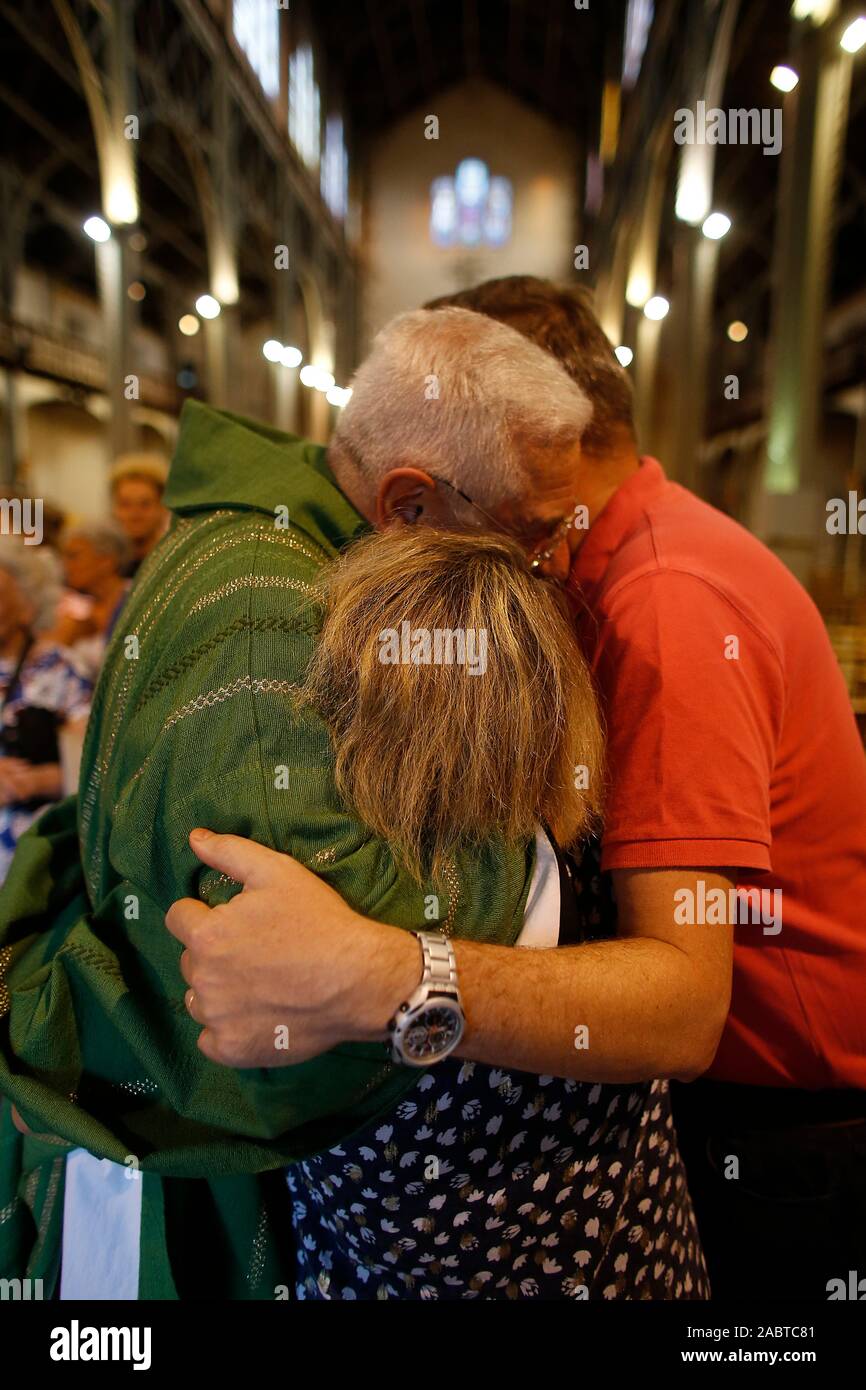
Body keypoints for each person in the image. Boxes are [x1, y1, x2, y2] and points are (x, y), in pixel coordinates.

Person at [178, 278, 866, 1302]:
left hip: (775, 1123)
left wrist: (384, 973)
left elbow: (681, 1007)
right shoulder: (612, 557)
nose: (541, 560)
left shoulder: (662, 602)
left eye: (548, 527)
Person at [1, 310, 710, 1301]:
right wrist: (388, 960)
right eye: (537, 531)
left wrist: (380, 969)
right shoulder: (272, 622)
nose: (558, 561)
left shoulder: (323, 572)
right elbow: (278, 982)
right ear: (408, 502)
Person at [0, 542, 92, 884]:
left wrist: (34, 781)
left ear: (26, 605)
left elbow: (91, 766)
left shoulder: (60, 670)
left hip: (34, 860)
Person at [55, 522, 132, 681]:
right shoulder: (76, 608)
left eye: (74, 556)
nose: (66, 565)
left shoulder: (136, 598)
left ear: (106, 561)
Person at [110, 454, 169, 577]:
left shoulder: (171, 562)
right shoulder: (109, 567)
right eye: (125, 504)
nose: (134, 514)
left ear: (163, 507)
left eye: (145, 504)